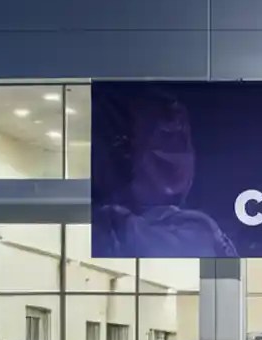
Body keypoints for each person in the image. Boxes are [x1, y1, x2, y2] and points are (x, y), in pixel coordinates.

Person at [91, 87, 237, 258]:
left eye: (181, 142)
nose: (175, 157)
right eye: (165, 138)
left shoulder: (200, 227)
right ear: (126, 150)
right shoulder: (105, 225)